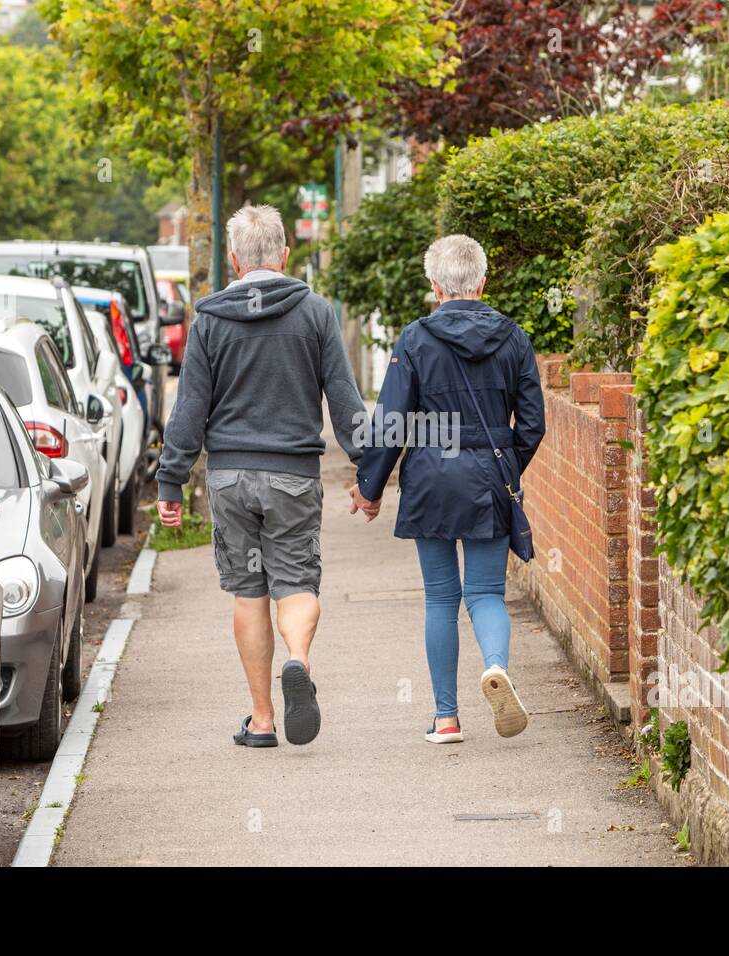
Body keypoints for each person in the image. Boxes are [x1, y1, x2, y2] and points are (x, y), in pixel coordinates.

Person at [156, 204, 364, 748]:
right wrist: (368, 469)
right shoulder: (316, 313)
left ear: (233, 260)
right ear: (285, 254)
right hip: (292, 476)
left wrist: (171, 481)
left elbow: (189, 409)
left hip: (229, 479)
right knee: (296, 584)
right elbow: (344, 401)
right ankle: (297, 659)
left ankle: (263, 719)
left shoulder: (210, 322)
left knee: (249, 594)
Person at [352, 234, 545, 744]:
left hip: (431, 478)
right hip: (488, 476)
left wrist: (369, 487)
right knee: (485, 593)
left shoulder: (416, 339)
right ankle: (496, 666)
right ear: (482, 283)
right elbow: (533, 423)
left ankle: (446, 718)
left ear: (435, 287)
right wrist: (507, 465)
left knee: (441, 597)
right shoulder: (513, 338)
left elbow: (391, 420)